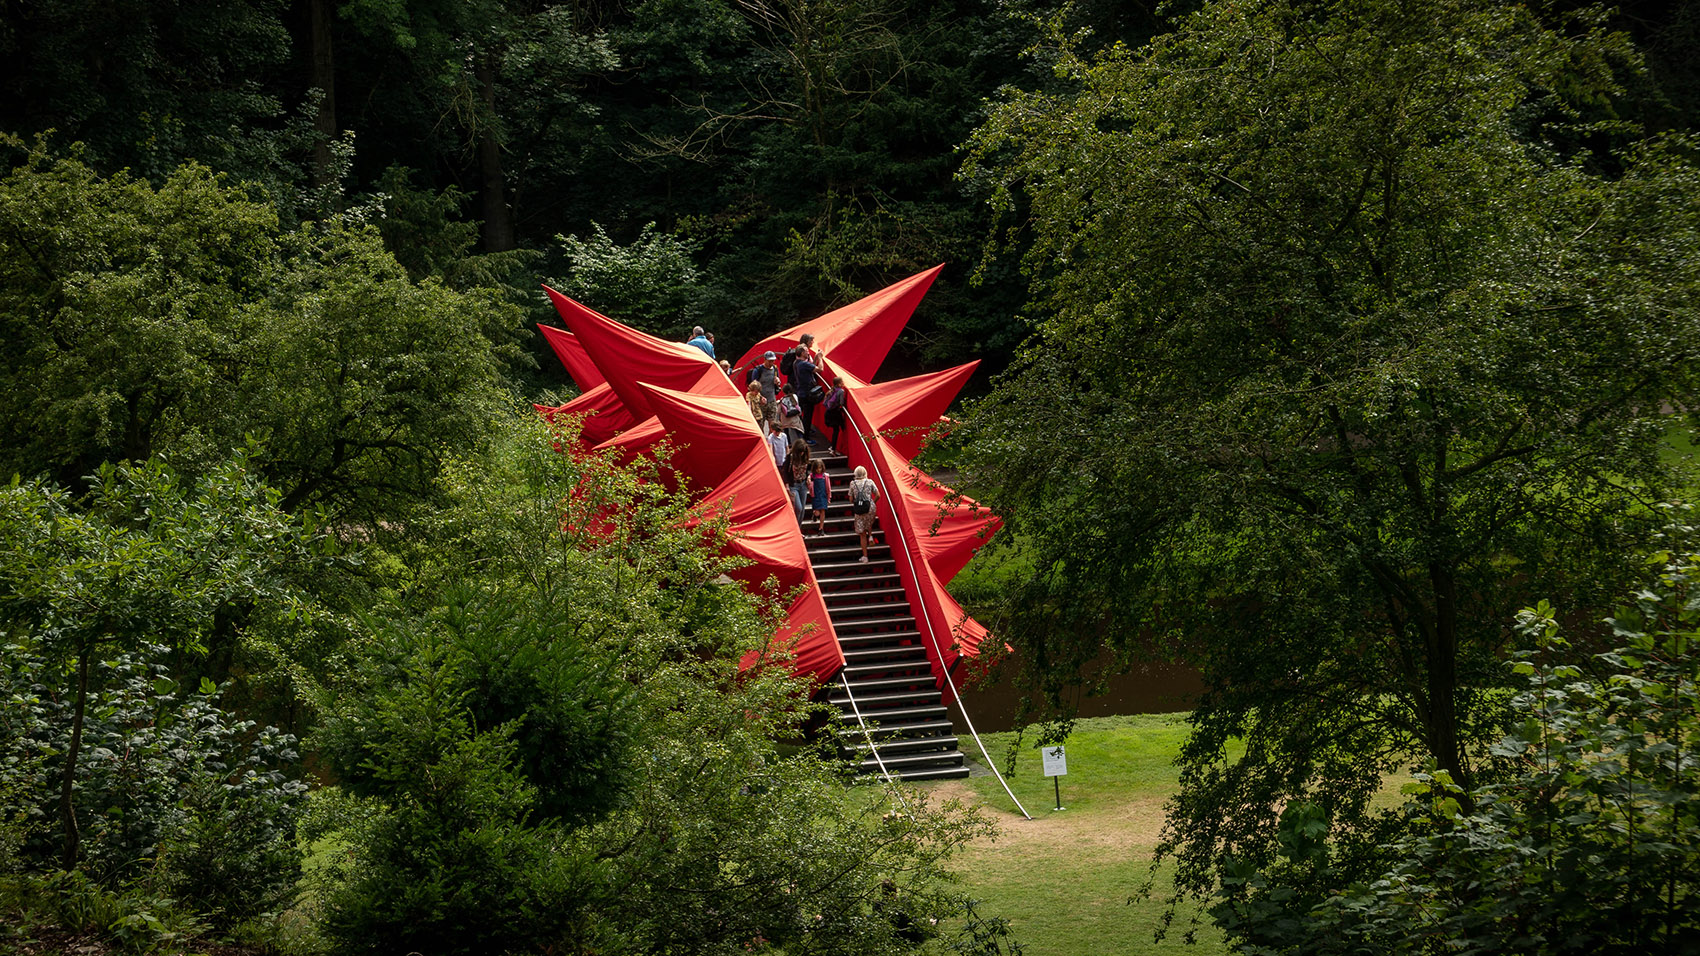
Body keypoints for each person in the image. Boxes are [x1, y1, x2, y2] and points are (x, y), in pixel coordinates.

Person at [847, 465, 879, 562]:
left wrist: (857, 503)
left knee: (862, 534)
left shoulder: (853, 484)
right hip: (870, 508)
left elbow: (851, 499)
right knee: (868, 521)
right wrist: (871, 502)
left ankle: (865, 556)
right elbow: (878, 495)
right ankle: (871, 536)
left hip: (859, 509)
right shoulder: (870, 482)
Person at [793, 348, 821, 442]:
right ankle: (806, 437)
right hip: (807, 394)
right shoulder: (804, 364)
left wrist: (815, 357)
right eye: (806, 351)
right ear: (801, 353)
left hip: (800, 392)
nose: (808, 352)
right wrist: (820, 358)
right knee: (807, 416)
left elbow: (810, 367)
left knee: (802, 415)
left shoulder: (796, 363)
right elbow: (820, 369)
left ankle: (801, 434)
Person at [821, 377, 848, 453]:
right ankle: (833, 448)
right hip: (835, 413)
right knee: (837, 430)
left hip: (829, 413)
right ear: (839, 384)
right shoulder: (841, 391)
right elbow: (841, 403)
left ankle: (832, 447)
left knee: (835, 430)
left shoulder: (832, 390)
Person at [787, 438, 810, 519]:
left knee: (802, 509)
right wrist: (787, 485)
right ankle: (796, 527)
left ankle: (799, 529)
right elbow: (785, 471)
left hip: (803, 483)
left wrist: (808, 477)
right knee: (798, 508)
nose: (802, 453)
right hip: (794, 484)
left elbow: (806, 469)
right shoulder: (790, 457)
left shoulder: (805, 456)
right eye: (800, 452)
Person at [806, 459, 830, 535]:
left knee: (823, 511)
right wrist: (809, 480)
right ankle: (815, 515)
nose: (818, 470)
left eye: (820, 468)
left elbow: (828, 487)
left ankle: (821, 528)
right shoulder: (812, 476)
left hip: (823, 496)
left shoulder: (825, 476)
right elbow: (809, 480)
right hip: (815, 496)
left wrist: (829, 497)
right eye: (817, 468)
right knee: (817, 512)